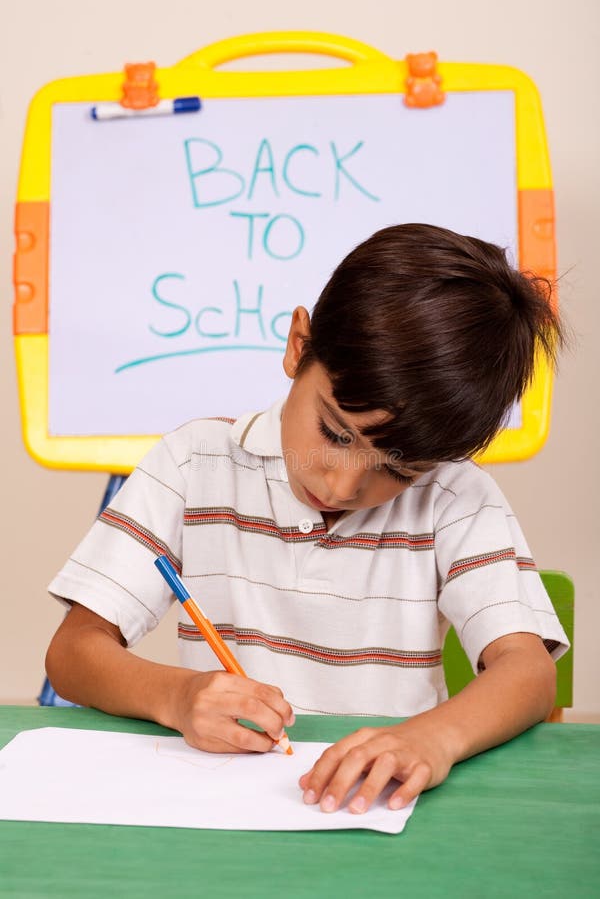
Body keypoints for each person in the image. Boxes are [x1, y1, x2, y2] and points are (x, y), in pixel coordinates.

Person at [46, 223, 569, 816]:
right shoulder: (195, 464)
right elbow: (72, 654)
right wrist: (179, 695)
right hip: (218, 808)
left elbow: (528, 672)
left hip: (374, 808)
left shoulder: (455, 497)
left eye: (398, 470)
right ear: (299, 345)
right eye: (335, 432)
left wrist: (433, 737)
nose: (342, 485)